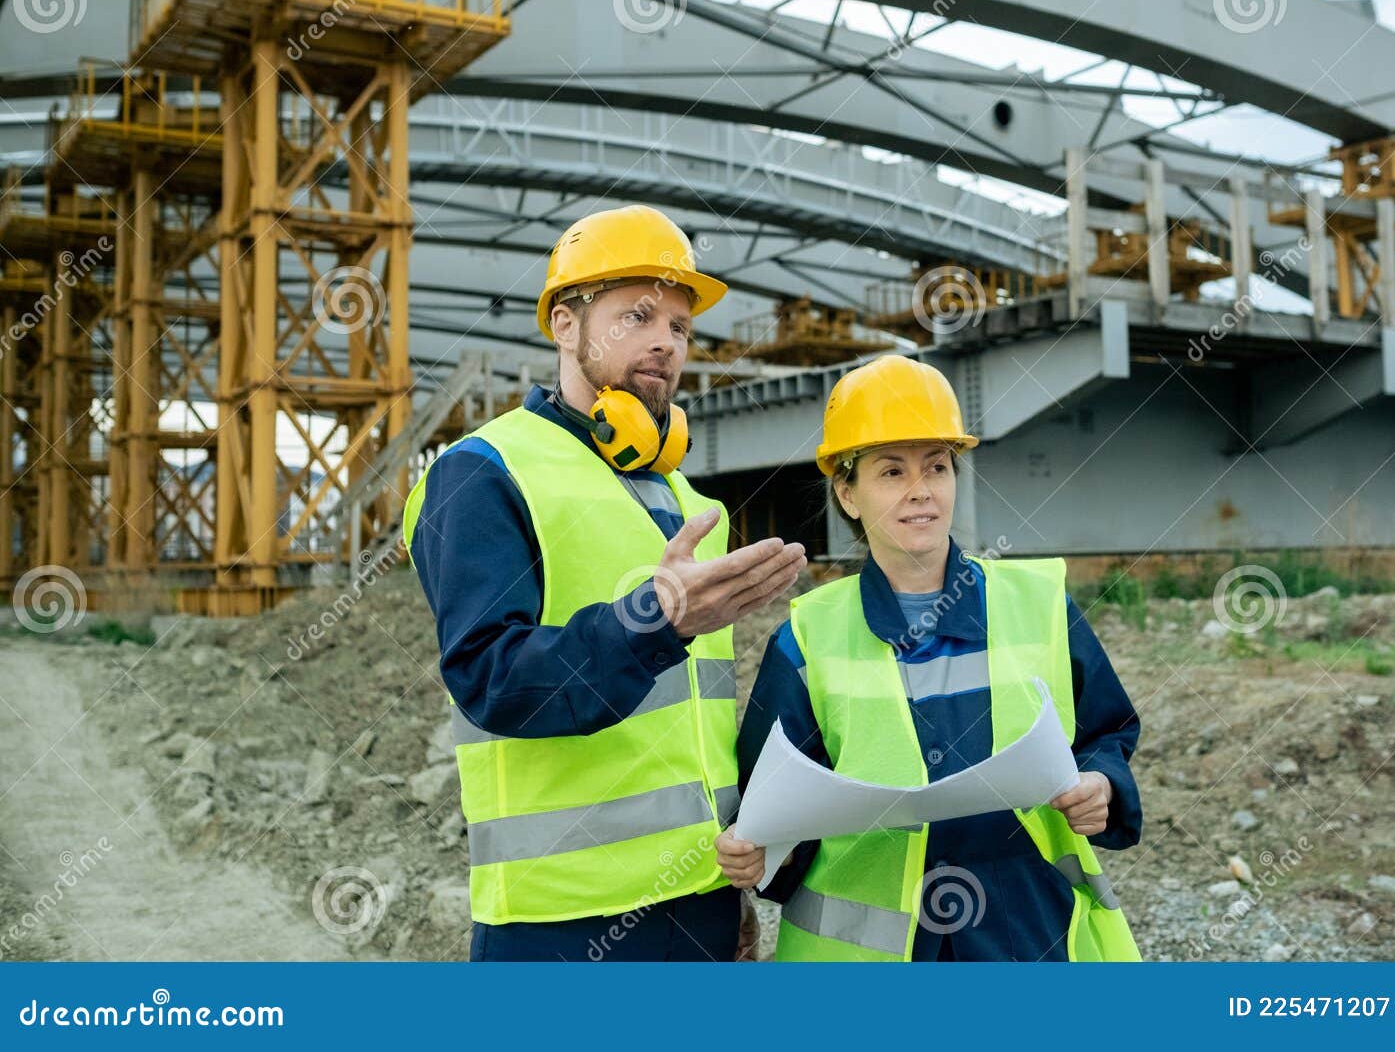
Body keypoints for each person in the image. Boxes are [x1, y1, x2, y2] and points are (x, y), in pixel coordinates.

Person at [403, 204, 806, 961]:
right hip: (560, 921)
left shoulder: (685, 499)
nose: (666, 340)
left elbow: (697, 723)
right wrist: (657, 620)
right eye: (638, 315)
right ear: (565, 324)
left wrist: (735, 885)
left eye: (681, 327)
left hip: (702, 906)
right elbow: (491, 680)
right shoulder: (483, 474)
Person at [715, 354, 1142, 961]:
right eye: (891, 472)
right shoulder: (808, 636)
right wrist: (754, 850)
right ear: (848, 493)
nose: (920, 490)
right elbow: (767, 798)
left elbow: (1109, 730)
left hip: (1025, 934)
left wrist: (1102, 782)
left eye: (936, 467)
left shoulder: (1039, 603)